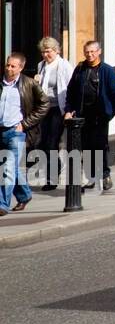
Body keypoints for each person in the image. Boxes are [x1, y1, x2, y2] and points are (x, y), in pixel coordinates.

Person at [64, 40, 115, 192]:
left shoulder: (107, 70)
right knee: (86, 147)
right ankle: (91, 177)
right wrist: (68, 110)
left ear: (99, 52)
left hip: (100, 115)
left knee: (99, 146)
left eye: (93, 51)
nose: (90, 55)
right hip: (83, 116)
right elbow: (71, 91)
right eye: (87, 52)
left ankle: (104, 175)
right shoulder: (80, 69)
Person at [1, 53, 49, 216]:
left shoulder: (29, 84)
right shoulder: (1, 83)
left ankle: (2, 205)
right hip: (0, 131)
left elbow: (44, 104)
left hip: (16, 132)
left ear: (21, 68)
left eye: (13, 66)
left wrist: (25, 124)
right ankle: (25, 195)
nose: (9, 68)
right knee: (10, 168)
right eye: (8, 65)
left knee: (7, 168)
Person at [35, 37, 74, 190]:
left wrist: (69, 110)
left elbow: (71, 88)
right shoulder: (41, 65)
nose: (45, 55)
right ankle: (54, 171)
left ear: (56, 50)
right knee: (44, 143)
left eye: (48, 51)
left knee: (52, 142)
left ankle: (52, 178)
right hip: (44, 108)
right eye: (43, 52)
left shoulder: (64, 66)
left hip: (59, 108)